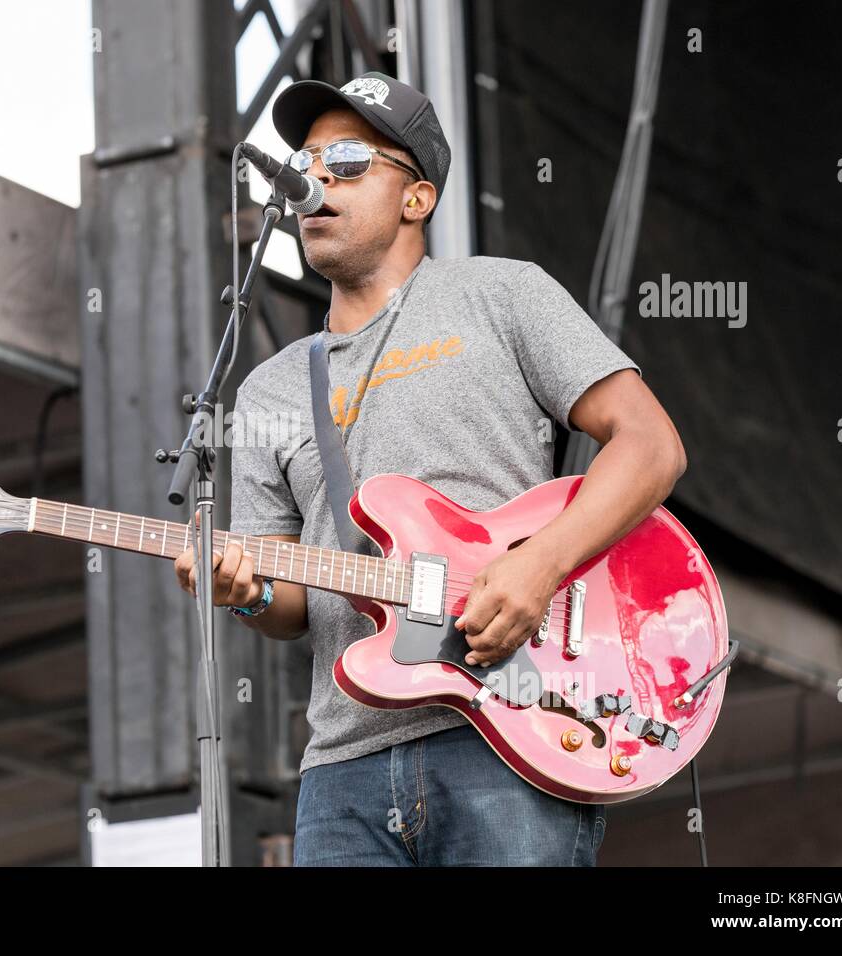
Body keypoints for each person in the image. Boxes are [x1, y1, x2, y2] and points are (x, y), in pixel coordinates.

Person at [173, 72, 686, 866]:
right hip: (341, 769)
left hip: (514, 725)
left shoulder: (502, 294)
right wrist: (247, 593)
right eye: (305, 159)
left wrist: (539, 568)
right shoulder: (270, 384)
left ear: (416, 198)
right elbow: (290, 604)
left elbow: (651, 445)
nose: (314, 179)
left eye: (345, 160)